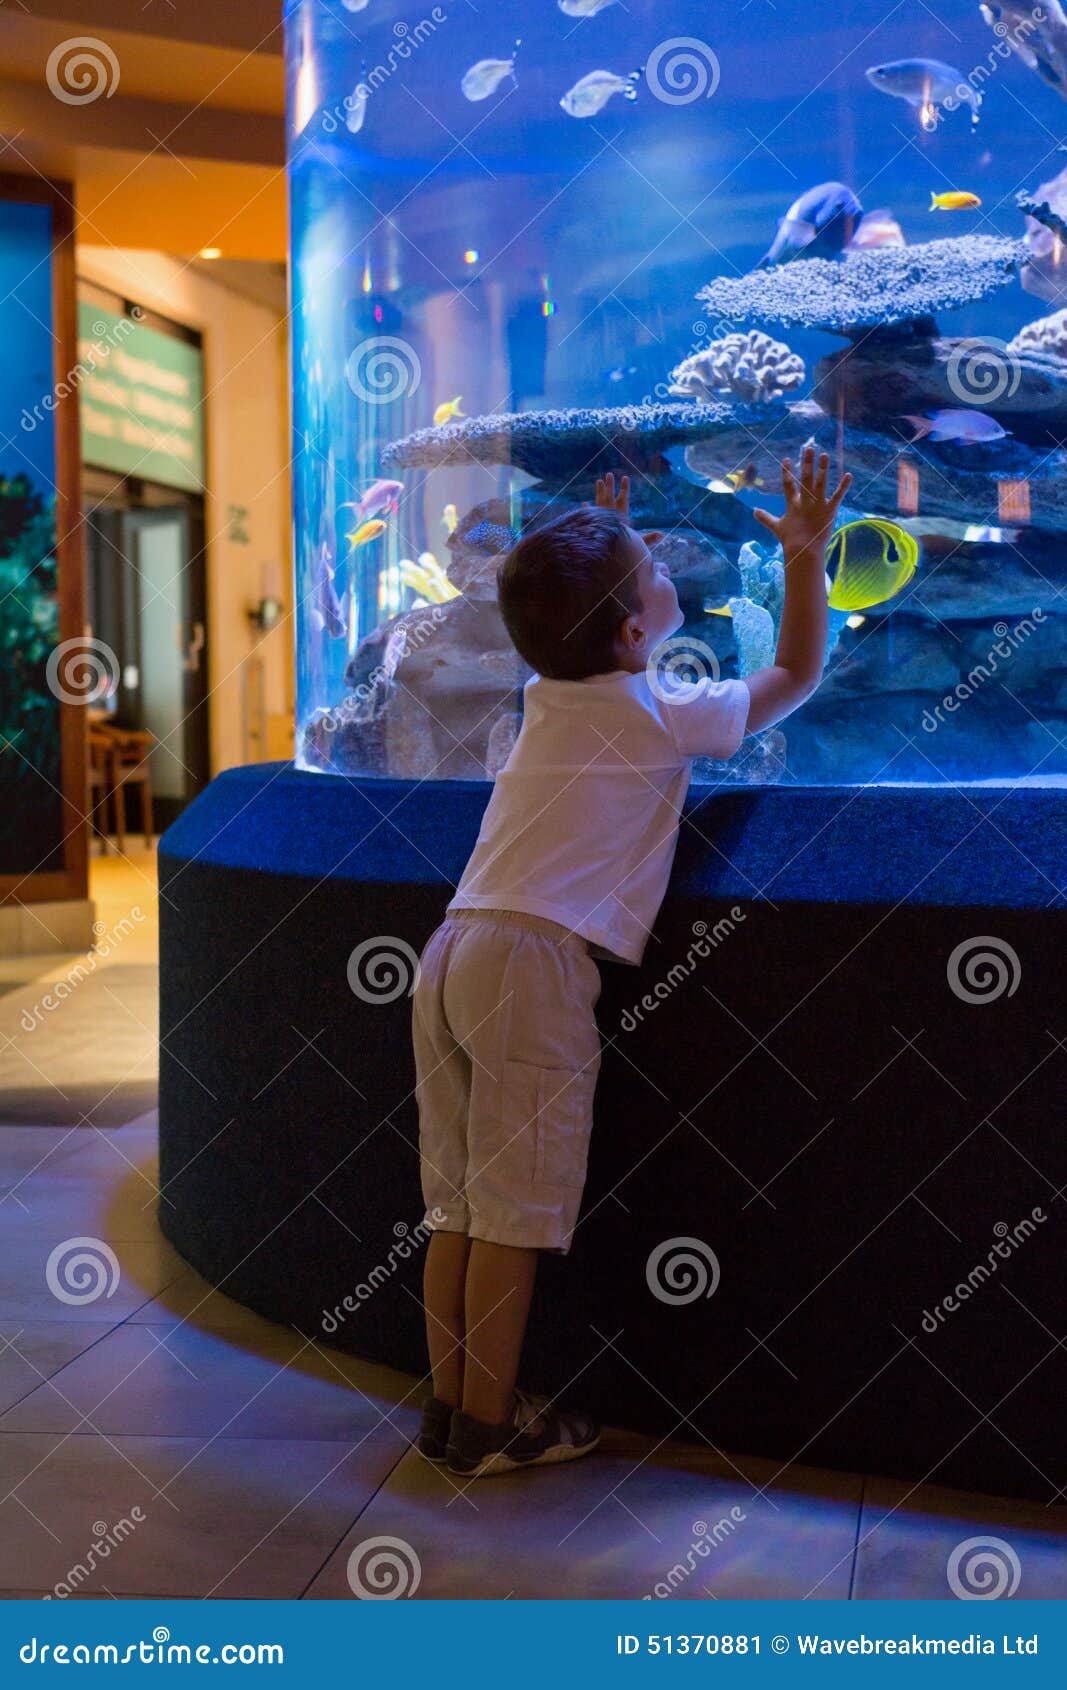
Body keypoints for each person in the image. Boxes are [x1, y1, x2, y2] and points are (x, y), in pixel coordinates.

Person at [411, 446, 851, 1479]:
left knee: (458, 1206)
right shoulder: (658, 708)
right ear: (632, 632)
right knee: (513, 1213)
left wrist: (604, 539)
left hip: (452, 949)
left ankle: (449, 1406)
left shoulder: (545, 693)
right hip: (532, 966)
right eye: (650, 568)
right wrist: (802, 558)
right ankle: (490, 1427)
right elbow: (793, 675)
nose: (663, 563)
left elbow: (576, 621)